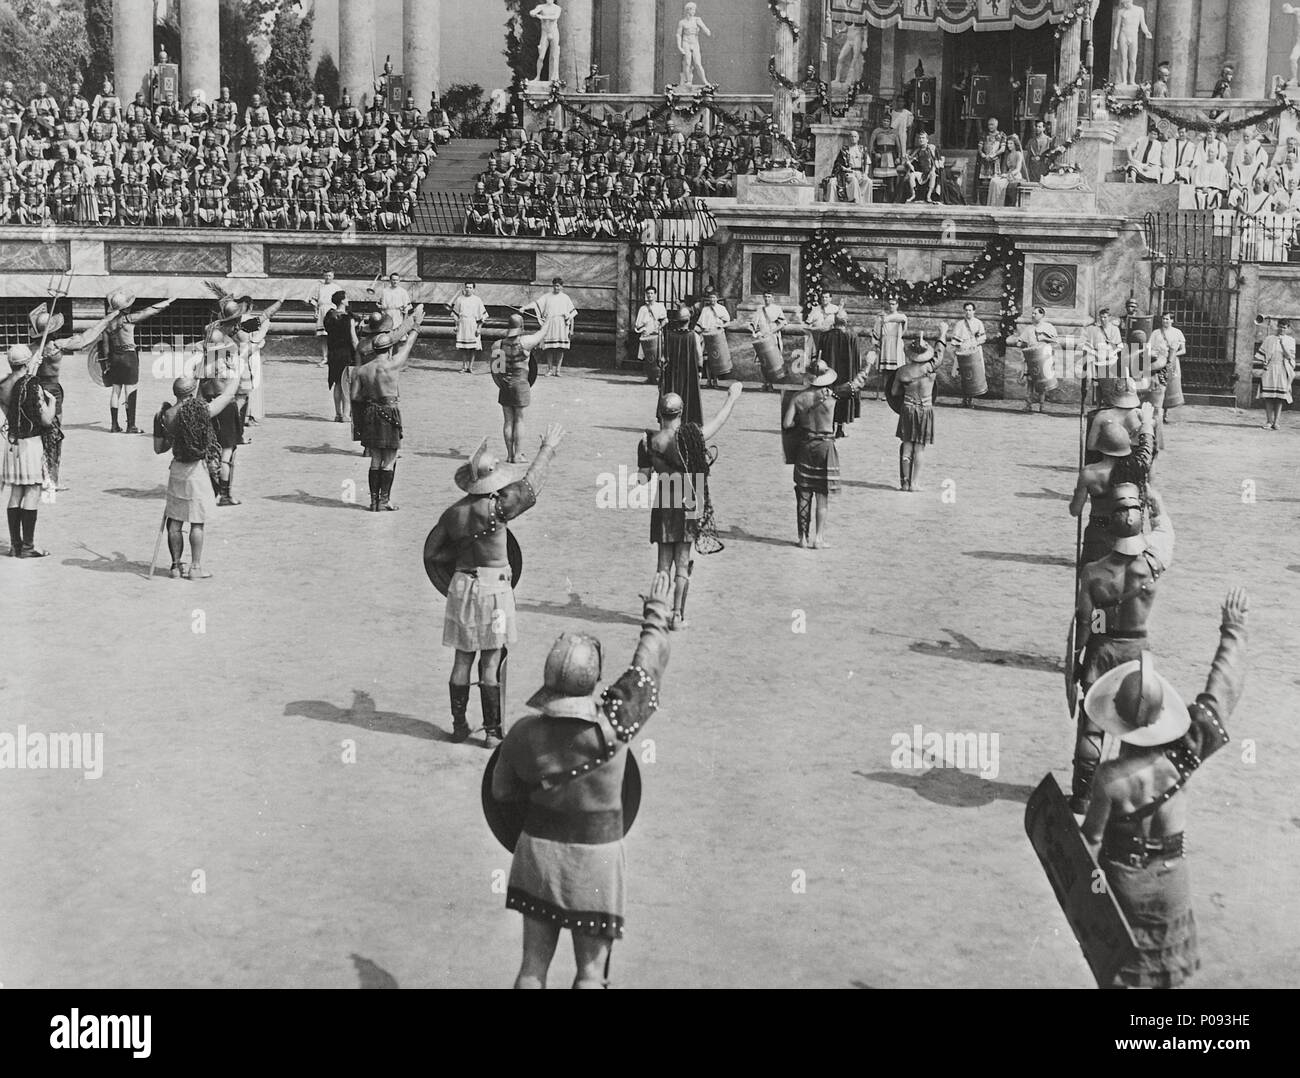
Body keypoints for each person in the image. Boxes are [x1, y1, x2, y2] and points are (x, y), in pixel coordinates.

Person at [490, 569, 672, 989]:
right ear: (593, 682)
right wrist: (655, 614)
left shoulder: (522, 734)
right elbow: (646, 672)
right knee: (591, 973)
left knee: (532, 968)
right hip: (597, 860)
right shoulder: (616, 722)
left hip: (538, 854)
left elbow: (500, 791)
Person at [1082, 587, 1248, 988]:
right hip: (1172, 884)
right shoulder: (1185, 755)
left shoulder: (1110, 780)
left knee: (1122, 978)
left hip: (1124, 888)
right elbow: (1220, 694)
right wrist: (1234, 629)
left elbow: (1089, 843)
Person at [426, 425, 566, 744]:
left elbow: (433, 554)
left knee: (462, 658)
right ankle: (491, 734)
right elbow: (531, 486)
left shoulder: (452, 514)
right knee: (491, 661)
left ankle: (459, 726)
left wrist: (457, 556)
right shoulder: (498, 508)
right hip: (494, 590)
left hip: (461, 587)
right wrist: (547, 447)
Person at [1068, 482, 1174, 814]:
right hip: (1137, 654)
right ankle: (1124, 795)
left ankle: (1082, 798)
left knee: (1092, 724)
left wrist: (1075, 659)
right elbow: (1166, 530)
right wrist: (1157, 504)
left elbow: (1083, 624)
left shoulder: (1093, 573)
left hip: (1102, 652)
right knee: (1134, 726)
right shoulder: (1153, 564)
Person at [637, 383, 742, 628]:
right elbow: (717, 423)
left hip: (663, 501)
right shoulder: (690, 437)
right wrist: (731, 398)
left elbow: (642, 478)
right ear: (681, 413)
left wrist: (654, 467)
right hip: (688, 501)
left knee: (663, 563)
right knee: (683, 563)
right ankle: (677, 615)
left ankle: (659, 613)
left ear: (659, 414)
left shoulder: (647, 441)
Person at [152, 373, 239, 579]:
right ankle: (195, 568)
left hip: (176, 471)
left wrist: (174, 437)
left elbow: (159, 448)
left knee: (175, 521)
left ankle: (175, 567)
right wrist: (237, 371)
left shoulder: (164, 415)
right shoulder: (200, 411)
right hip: (197, 470)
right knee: (197, 521)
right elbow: (226, 397)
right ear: (192, 392)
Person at [783, 358, 871, 548]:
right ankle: (819, 539)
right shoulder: (831, 396)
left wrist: (802, 420)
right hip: (825, 447)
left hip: (806, 446)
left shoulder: (798, 398)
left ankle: (802, 538)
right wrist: (868, 365)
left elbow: (787, 424)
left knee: (804, 493)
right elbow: (856, 384)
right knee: (822, 494)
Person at [1070, 404, 1157, 568]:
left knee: (1092, 581)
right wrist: (1146, 423)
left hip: (1098, 533)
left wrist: (1078, 491)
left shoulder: (1089, 473)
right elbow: (1147, 448)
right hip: (1128, 533)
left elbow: (1075, 511)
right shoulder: (1136, 467)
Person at [1, 344, 58, 557]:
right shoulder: (32, 384)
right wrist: (51, 402)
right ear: (27, 363)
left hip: (12, 442)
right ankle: (28, 547)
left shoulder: (8, 384)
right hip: (30, 443)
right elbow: (45, 419)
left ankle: (15, 546)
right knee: (33, 490)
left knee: (16, 491)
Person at [101, 292, 175, 433]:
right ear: (126, 307)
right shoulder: (129, 319)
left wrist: (106, 364)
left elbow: (105, 347)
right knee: (131, 389)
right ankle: (131, 426)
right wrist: (167, 302)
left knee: (116, 390)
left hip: (115, 356)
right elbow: (149, 311)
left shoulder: (108, 323)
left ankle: (114, 425)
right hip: (129, 356)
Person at [891, 332, 938, 492]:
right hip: (924, 408)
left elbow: (894, 392)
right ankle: (915, 484)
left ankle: (905, 483)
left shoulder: (902, 371)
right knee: (919, 448)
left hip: (908, 408)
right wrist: (943, 334)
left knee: (907, 446)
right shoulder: (931, 369)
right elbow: (940, 354)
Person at [493, 315, 533, 462]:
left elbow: (496, 371)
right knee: (520, 420)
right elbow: (543, 333)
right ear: (521, 327)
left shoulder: (498, 345)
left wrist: (503, 384)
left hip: (505, 385)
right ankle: (518, 455)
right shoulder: (526, 344)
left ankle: (509, 455)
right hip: (520, 384)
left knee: (508, 421)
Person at [817, 310, 862, 438]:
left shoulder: (825, 336)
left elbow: (819, 356)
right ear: (846, 321)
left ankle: (829, 427)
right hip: (846, 373)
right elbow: (856, 359)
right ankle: (840, 428)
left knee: (829, 396)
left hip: (829, 374)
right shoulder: (851, 336)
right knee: (843, 397)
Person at [522, 277, 577, 377]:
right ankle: (550, 369)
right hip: (549, 324)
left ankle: (558, 370)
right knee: (549, 348)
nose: (556, 288)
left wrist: (571, 330)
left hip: (562, 325)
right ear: (552, 286)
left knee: (560, 348)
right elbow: (536, 304)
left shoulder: (565, 298)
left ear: (562, 287)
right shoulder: (547, 297)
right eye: (555, 285)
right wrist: (524, 308)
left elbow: (572, 315)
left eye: (558, 286)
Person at [1008, 306, 1058, 413]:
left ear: (1042, 315)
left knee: (1042, 383)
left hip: (1043, 358)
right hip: (1032, 358)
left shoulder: (1048, 327)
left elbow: (1055, 341)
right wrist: (1021, 344)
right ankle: (1028, 404)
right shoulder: (1029, 329)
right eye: (1033, 313)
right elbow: (1020, 342)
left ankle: (1042, 405)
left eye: (1035, 313)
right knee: (1030, 382)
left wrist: (1044, 338)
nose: (1033, 315)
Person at [659, 306, 703, 426]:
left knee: (671, 393)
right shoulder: (694, 336)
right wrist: (699, 370)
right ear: (689, 320)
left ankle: (670, 421)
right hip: (689, 371)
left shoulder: (668, 336)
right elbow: (699, 355)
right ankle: (687, 421)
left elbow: (663, 356)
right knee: (689, 395)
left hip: (672, 372)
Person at [1255, 319, 1296, 430]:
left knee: (1279, 397)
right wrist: (1264, 362)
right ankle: (1269, 421)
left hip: (1282, 368)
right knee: (1268, 396)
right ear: (1277, 326)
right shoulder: (1269, 339)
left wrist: (1282, 344)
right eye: (1280, 326)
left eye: (1284, 327)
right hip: (1270, 368)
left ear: (1288, 329)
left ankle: (1276, 422)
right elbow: (1261, 355)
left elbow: (1289, 357)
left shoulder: (1290, 340)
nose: (1281, 329)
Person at [323, 290, 358, 423]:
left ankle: (337, 414)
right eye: (346, 298)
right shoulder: (348, 318)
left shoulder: (329, 316)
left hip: (333, 353)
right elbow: (353, 339)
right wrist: (359, 351)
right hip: (346, 353)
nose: (348, 299)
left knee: (337, 383)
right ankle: (346, 414)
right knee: (346, 384)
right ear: (342, 300)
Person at [945, 302, 988, 408]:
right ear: (964, 311)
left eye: (970, 310)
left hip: (974, 351)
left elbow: (982, 338)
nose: (968, 312)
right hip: (963, 351)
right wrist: (959, 346)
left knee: (973, 374)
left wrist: (975, 344)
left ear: (974, 311)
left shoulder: (978, 323)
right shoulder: (960, 324)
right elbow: (955, 339)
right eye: (966, 310)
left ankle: (970, 399)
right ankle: (964, 398)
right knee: (964, 374)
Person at [1146, 311, 1185, 425]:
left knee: (1169, 386)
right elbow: (1149, 347)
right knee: (1158, 386)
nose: (1165, 321)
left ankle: (1165, 414)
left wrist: (1172, 355)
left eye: (1168, 319)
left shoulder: (1177, 333)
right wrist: (1153, 354)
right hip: (1158, 362)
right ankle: (1156, 413)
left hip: (1171, 363)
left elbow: (1183, 350)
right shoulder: (1156, 333)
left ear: (1172, 320)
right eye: (1164, 319)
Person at [694, 287, 731, 390]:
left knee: (716, 358)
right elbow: (700, 323)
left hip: (717, 336)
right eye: (711, 298)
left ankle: (715, 380)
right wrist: (695, 331)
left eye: (714, 298)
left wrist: (722, 326)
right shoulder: (705, 309)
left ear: (717, 299)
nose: (712, 300)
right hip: (706, 335)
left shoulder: (721, 309)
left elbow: (728, 321)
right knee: (707, 359)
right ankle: (709, 380)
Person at [873, 296, 908, 402]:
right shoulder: (882, 316)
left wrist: (886, 319)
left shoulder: (901, 316)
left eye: (893, 304)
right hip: (885, 343)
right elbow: (876, 331)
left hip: (896, 344)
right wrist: (879, 320)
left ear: (897, 305)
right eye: (890, 304)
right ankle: (886, 392)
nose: (891, 306)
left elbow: (901, 320)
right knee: (886, 371)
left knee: (897, 370)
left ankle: (897, 391)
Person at [751, 291, 788, 393]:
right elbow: (753, 325)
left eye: (769, 297)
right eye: (765, 297)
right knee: (764, 362)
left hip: (773, 337)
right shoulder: (759, 309)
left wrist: (771, 332)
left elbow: (782, 323)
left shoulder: (777, 309)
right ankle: (766, 383)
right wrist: (758, 333)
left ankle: (773, 383)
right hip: (762, 338)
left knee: (774, 361)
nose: (767, 299)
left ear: (773, 298)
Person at [452, 280, 488, 375]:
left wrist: (479, 328)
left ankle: (470, 367)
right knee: (463, 347)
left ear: (474, 289)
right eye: (467, 287)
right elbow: (455, 315)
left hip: (473, 324)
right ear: (464, 288)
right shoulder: (459, 299)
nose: (468, 289)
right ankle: (464, 366)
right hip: (463, 324)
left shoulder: (477, 300)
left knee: (473, 347)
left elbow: (482, 316)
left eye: (470, 287)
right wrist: (456, 325)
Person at [634, 286, 668, 386]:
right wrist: (643, 329)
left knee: (658, 355)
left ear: (655, 295)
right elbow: (638, 324)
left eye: (652, 293)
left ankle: (659, 377)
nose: (649, 295)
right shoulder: (643, 309)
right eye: (648, 293)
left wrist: (658, 328)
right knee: (647, 356)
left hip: (657, 334)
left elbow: (665, 320)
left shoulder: (660, 307)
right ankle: (649, 377)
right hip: (646, 335)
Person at [676, 2, 713, 88]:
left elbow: (704, 27)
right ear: (688, 10)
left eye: (694, 9)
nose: (694, 11)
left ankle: (705, 80)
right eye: (692, 9)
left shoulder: (697, 20)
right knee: (687, 62)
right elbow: (678, 34)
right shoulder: (682, 22)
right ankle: (688, 81)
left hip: (694, 43)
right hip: (686, 42)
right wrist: (679, 46)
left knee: (697, 63)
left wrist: (706, 31)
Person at [310, 271, 336, 368]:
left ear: (333, 276)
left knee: (333, 335)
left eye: (329, 275)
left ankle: (333, 358)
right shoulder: (319, 287)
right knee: (323, 337)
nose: (328, 277)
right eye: (326, 276)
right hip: (322, 311)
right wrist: (315, 312)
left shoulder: (336, 287)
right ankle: (325, 358)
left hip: (332, 312)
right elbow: (314, 301)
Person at [530, 2, 563, 82]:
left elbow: (555, 17)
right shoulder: (541, 7)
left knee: (555, 55)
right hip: (545, 33)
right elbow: (532, 13)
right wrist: (535, 14)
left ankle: (555, 77)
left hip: (554, 32)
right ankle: (538, 76)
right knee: (541, 56)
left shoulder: (557, 8)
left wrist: (542, 17)